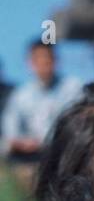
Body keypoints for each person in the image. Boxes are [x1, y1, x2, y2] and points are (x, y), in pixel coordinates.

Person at [1, 41, 82, 176]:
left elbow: (77, 127)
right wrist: (20, 142)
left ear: (55, 60)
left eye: (46, 59)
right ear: (30, 63)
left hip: (62, 156)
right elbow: (10, 128)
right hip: (29, 159)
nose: (43, 64)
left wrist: (44, 142)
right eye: (37, 60)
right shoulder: (22, 94)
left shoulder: (73, 88)